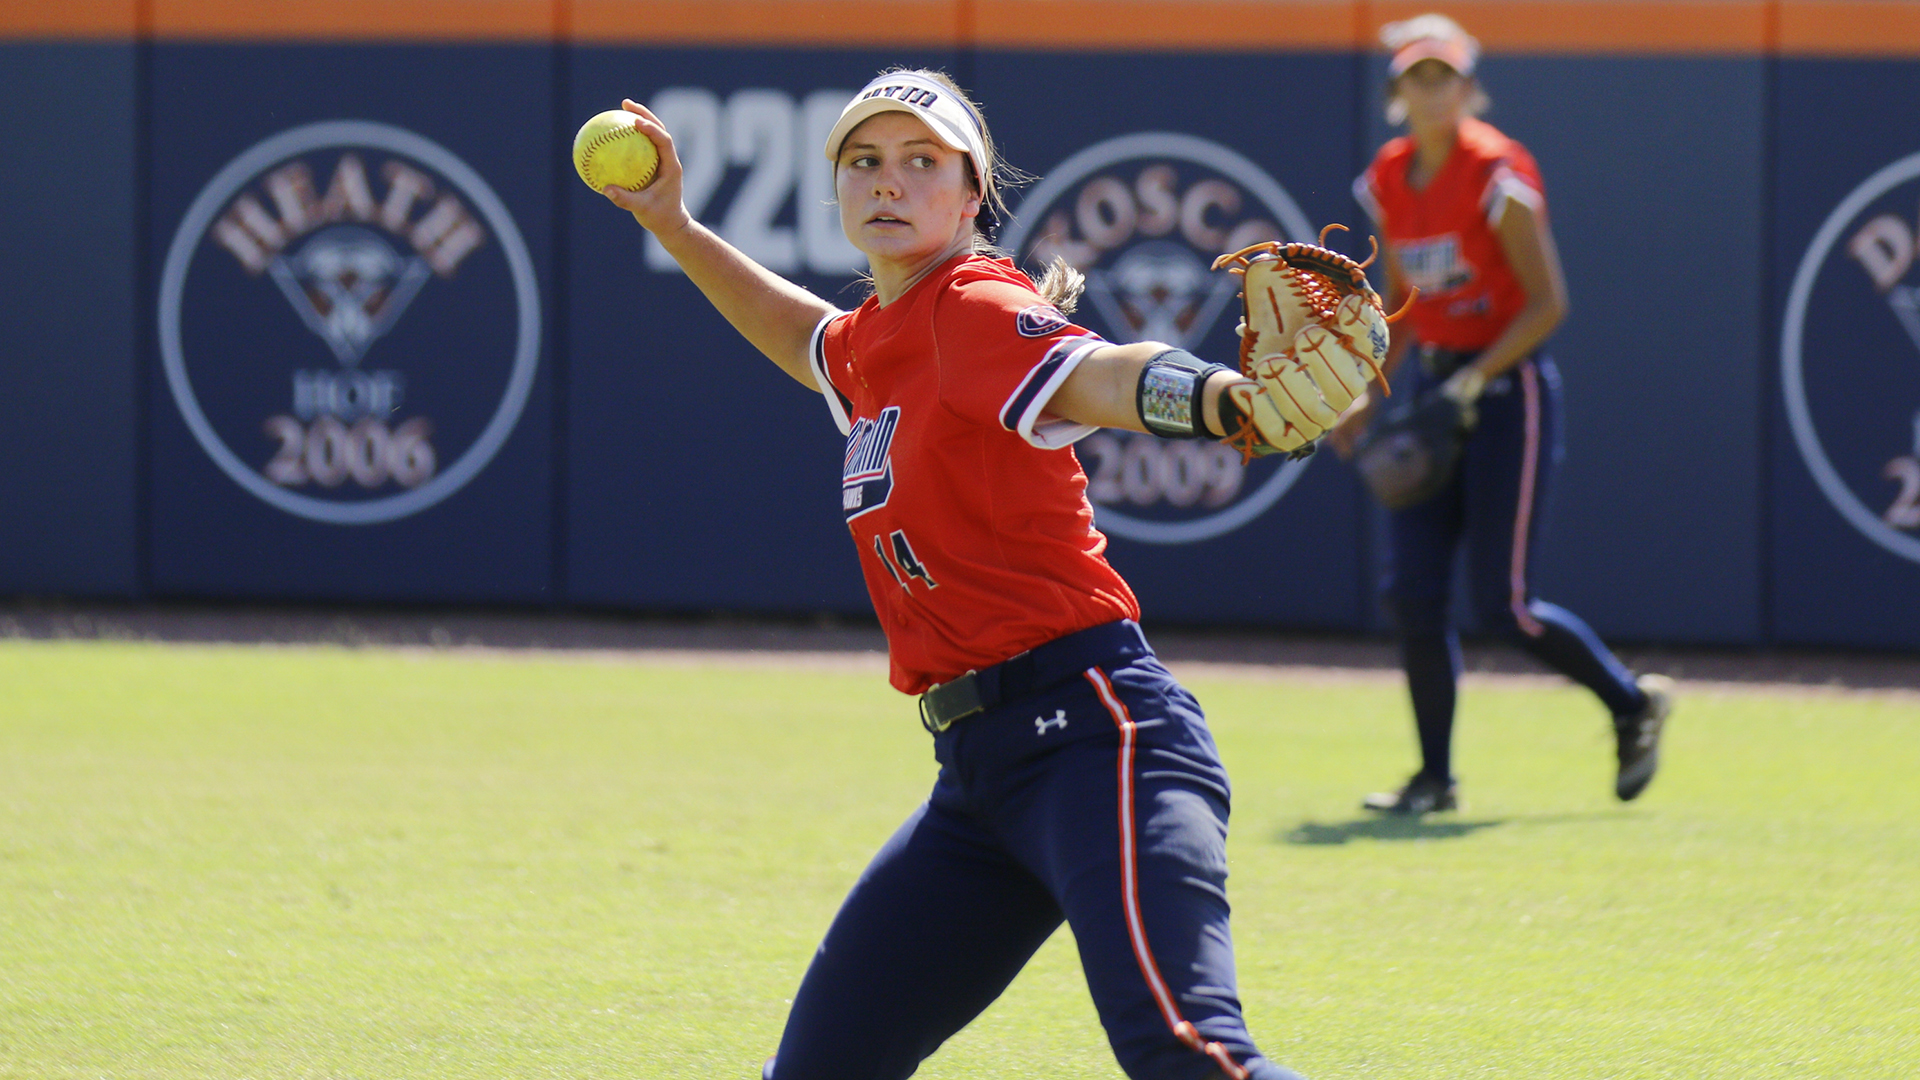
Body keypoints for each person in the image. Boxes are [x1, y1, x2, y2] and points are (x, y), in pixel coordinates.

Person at [596, 69, 1352, 1080]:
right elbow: (802, 337)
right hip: (981, 783)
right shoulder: (880, 341)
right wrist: (678, 225)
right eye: (864, 161)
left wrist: (1222, 400)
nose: (889, 181)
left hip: (1099, 742)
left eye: (921, 161)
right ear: (838, 192)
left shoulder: (972, 305)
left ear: (970, 196)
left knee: (1188, 1056)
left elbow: (1101, 372)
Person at [1328, 14, 1674, 816]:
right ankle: (1433, 779)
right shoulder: (1390, 174)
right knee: (1411, 593)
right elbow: (1404, 309)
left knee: (1503, 604)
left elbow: (1549, 303)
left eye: (1444, 75)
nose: (1432, 88)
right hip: (1433, 392)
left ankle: (1631, 704)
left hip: (1506, 391)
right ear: (1397, 92)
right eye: (1417, 76)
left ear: (1468, 87)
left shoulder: (1497, 171)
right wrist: (1365, 388)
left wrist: (1476, 377)